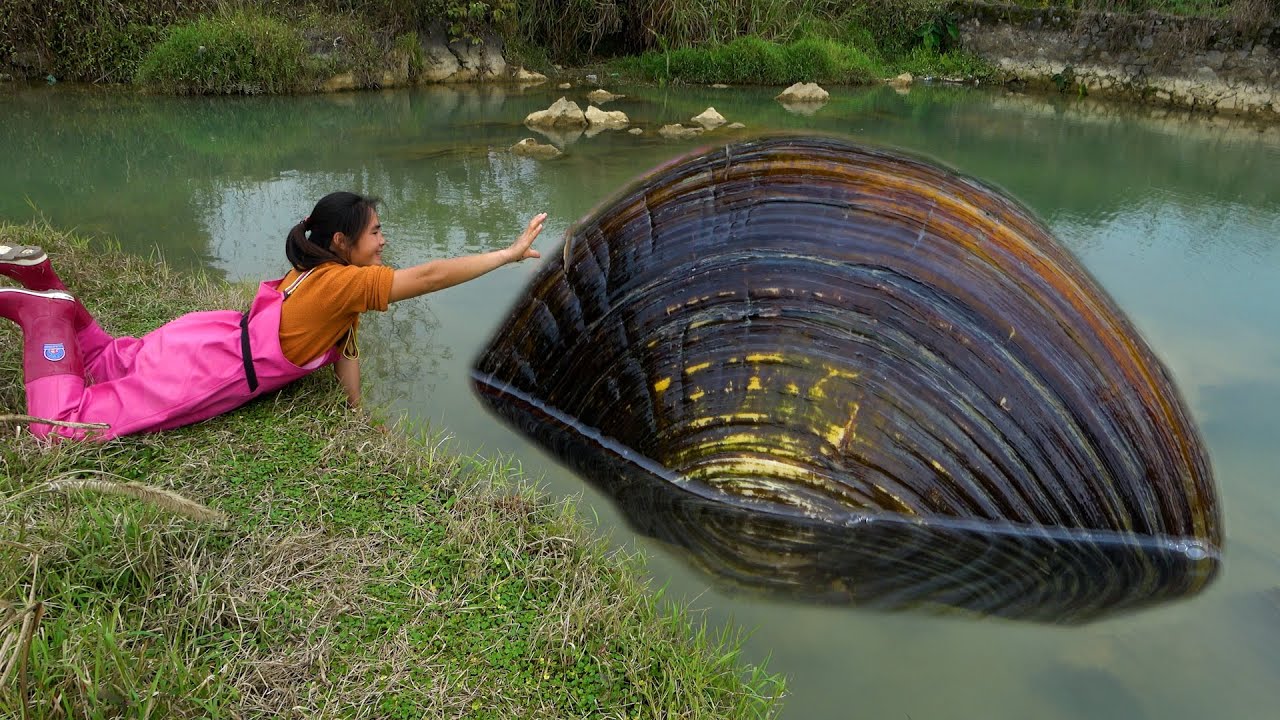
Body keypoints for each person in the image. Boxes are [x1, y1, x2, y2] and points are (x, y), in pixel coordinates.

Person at [0, 191, 545, 441]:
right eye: (375, 232)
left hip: (201, 336)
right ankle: (42, 316)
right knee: (61, 427)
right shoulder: (342, 282)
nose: (383, 242)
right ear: (341, 241)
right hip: (212, 370)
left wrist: (355, 416)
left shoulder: (320, 275)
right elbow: (428, 277)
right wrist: (505, 254)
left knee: (105, 358)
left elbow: (345, 350)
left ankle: (50, 286)